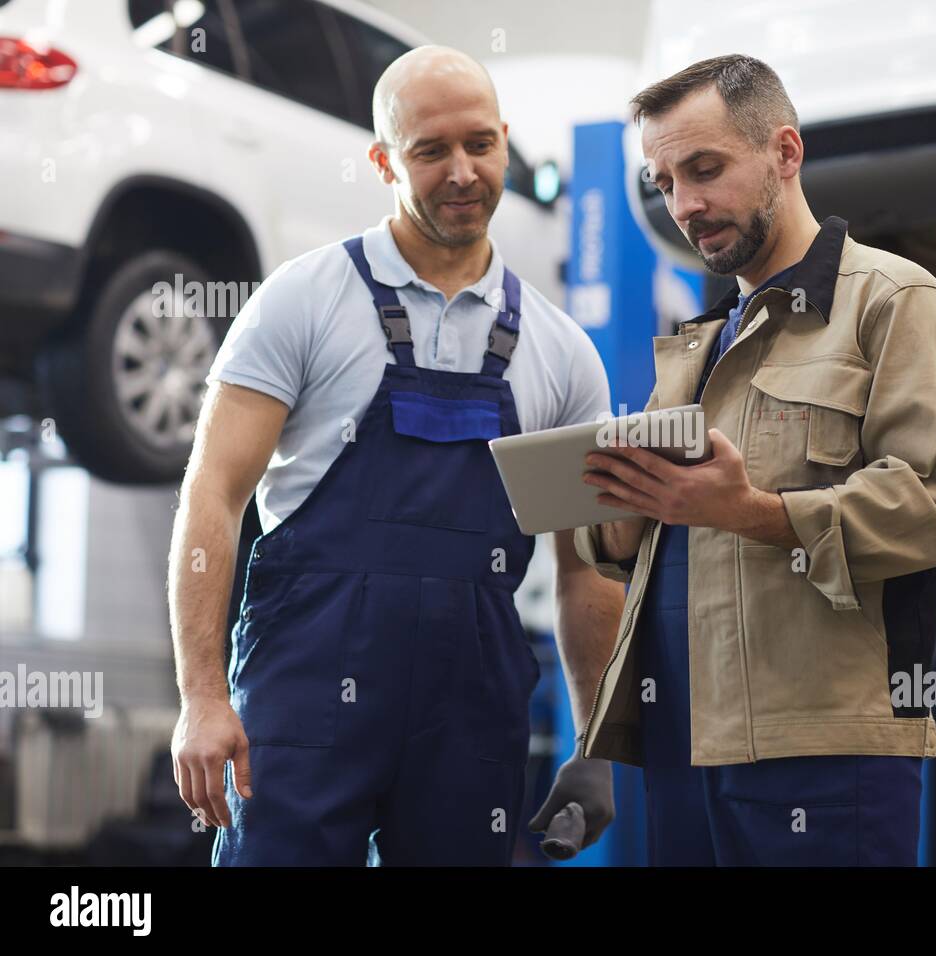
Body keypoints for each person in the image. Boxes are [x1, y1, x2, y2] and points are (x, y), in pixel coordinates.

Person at [167, 45, 623, 866]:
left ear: (506, 144)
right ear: (383, 160)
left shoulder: (562, 354)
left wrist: (592, 744)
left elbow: (588, 568)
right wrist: (201, 698)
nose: (462, 171)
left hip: (469, 711)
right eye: (430, 150)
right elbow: (213, 495)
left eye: (480, 145)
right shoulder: (301, 303)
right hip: (303, 698)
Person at [576, 54, 936, 866]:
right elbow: (662, 543)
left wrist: (754, 513)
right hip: (684, 746)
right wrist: (619, 513)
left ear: (785, 153)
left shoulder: (896, 304)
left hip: (825, 749)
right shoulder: (699, 350)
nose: (686, 205)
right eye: (664, 183)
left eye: (706, 169)